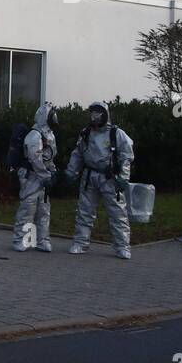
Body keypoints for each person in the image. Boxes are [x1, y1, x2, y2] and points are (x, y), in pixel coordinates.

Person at [64, 101, 135, 259]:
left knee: (117, 213)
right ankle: (81, 243)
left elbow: (126, 156)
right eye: (92, 113)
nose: (94, 116)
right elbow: (78, 153)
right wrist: (71, 171)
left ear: (105, 114)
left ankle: (122, 246)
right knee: (84, 211)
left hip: (110, 178)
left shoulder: (116, 134)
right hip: (90, 176)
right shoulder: (86, 133)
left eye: (98, 113)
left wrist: (123, 177)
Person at [12, 101, 58, 253]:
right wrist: (46, 175)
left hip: (42, 177)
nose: (55, 118)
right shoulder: (34, 135)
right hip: (31, 176)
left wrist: (52, 172)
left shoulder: (49, 135)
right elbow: (35, 158)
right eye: (52, 116)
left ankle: (42, 240)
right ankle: (22, 240)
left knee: (44, 210)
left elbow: (49, 157)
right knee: (28, 209)